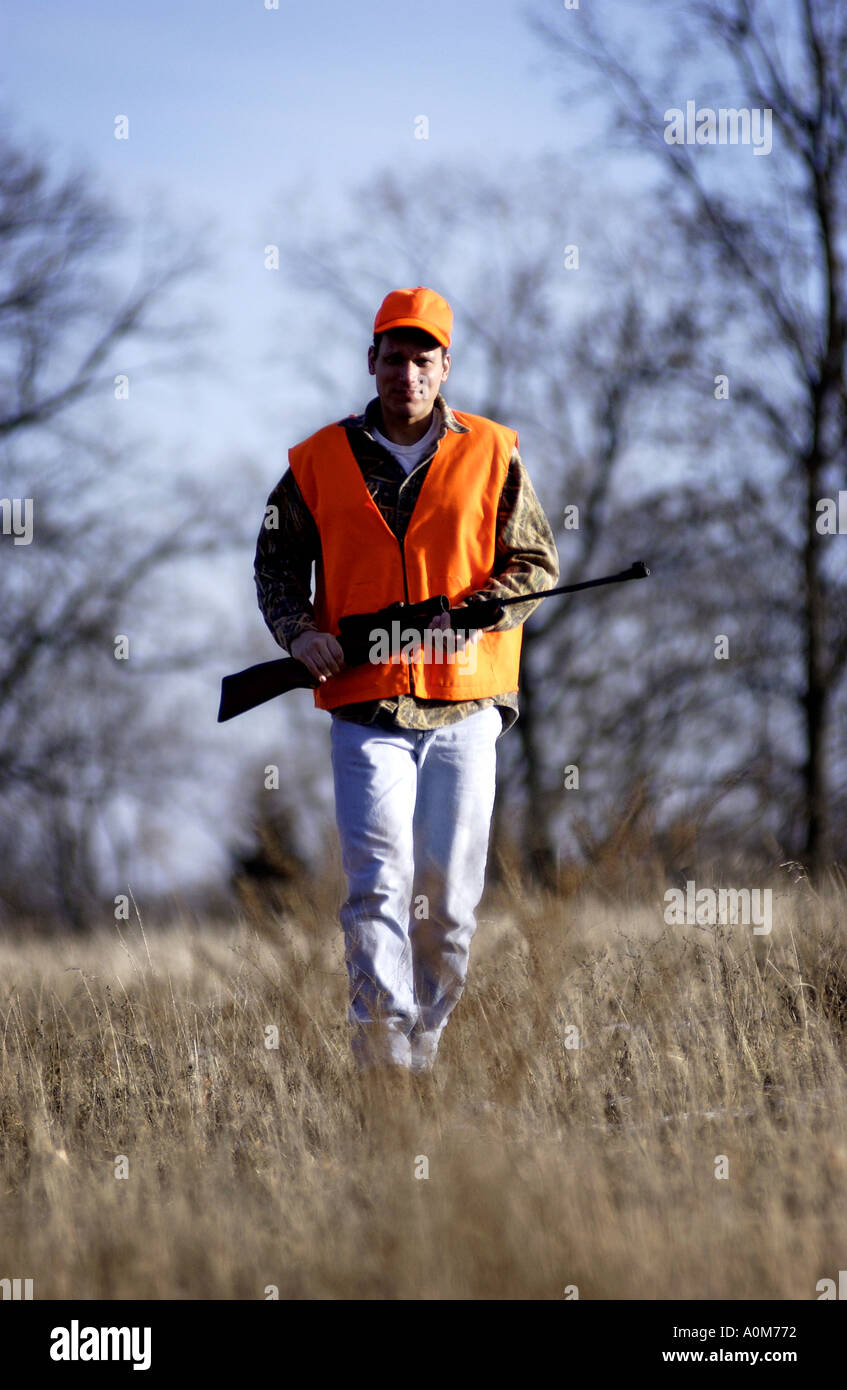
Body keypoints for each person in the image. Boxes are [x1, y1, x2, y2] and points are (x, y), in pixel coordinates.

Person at [254, 286, 559, 1088]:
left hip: (465, 706)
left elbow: (535, 566)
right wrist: (300, 634)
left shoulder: (493, 451)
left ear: (444, 366)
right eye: (395, 356)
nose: (408, 373)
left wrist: (484, 614)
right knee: (376, 880)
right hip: (366, 704)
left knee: (450, 903)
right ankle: (383, 1058)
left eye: (424, 359)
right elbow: (276, 565)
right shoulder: (317, 460)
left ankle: (425, 1046)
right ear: (373, 362)